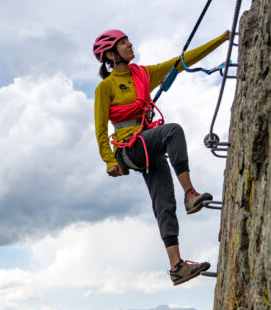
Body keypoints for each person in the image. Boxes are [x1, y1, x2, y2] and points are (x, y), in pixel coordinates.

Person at [93, 29, 229, 285]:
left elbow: (181, 61)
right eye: (122, 43)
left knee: (163, 201)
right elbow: (101, 128)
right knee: (173, 132)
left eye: (128, 40)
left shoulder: (143, 74)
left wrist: (221, 39)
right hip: (129, 148)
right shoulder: (106, 87)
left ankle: (176, 267)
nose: (129, 44)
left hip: (146, 143)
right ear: (110, 54)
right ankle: (191, 194)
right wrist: (110, 161)